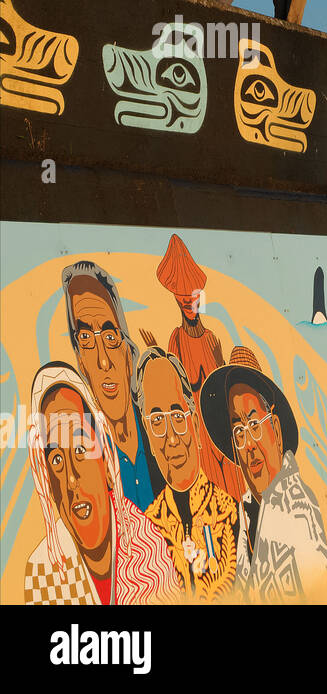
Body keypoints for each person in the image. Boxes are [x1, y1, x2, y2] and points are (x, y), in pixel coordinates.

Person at [23, 363, 179, 604]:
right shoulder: (42, 570)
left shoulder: (148, 546)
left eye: (80, 449)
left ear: (106, 464)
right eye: (56, 459)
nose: (71, 479)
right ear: (49, 486)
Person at [200, 347, 327, 601]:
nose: (249, 445)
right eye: (239, 432)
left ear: (277, 431)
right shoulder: (247, 511)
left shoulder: (298, 509)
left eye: (254, 425)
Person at [133, 347, 240, 600]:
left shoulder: (232, 515)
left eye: (177, 416)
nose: (171, 438)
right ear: (147, 435)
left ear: (193, 422)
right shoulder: (146, 535)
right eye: (157, 421)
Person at [149, 234, 245, 501]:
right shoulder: (176, 339)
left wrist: (222, 363)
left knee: (235, 483)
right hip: (198, 434)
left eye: (192, 301)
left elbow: (223, 383)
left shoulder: (212, 338)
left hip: (220, 427)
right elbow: (174, 387)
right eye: (184, 303)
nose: (190, 308)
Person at [61, 261, 162, 511]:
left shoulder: (160, 431)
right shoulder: (84, 458)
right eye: (85, 338)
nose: (103, 361)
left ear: (128, 351)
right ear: (80, 361)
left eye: (110, 336)